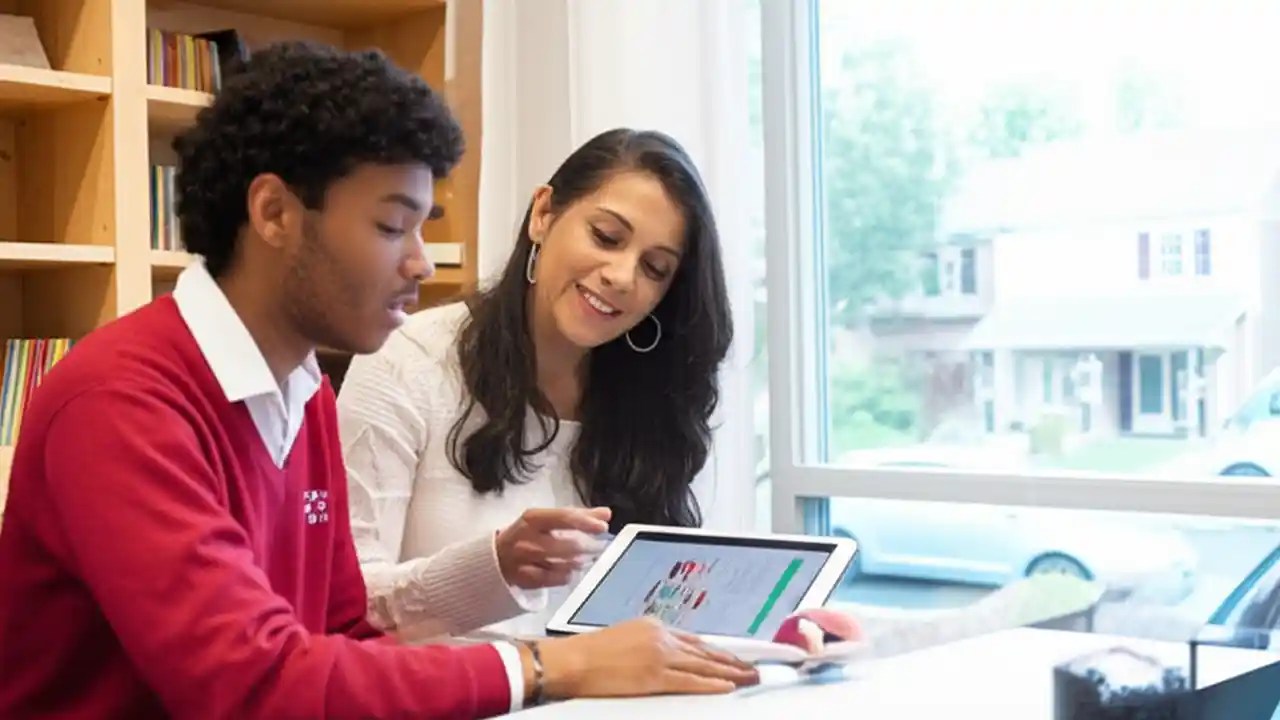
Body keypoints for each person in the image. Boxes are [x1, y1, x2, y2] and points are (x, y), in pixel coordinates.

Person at [0, 41, 755, 719]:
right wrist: (546, 667)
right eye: (393, 227)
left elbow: (344, 635)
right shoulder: (123, 401)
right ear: (274, 213)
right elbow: (252, 683)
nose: (422, 263)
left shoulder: (302, 395)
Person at [335, 127, 734, 640]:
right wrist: (494, 566)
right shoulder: (407, 361)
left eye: (655, 269)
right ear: (543, 213)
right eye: (606, 238)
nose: (622, 276)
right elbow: (348, 604)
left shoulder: (652, 402)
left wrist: (788, 638)